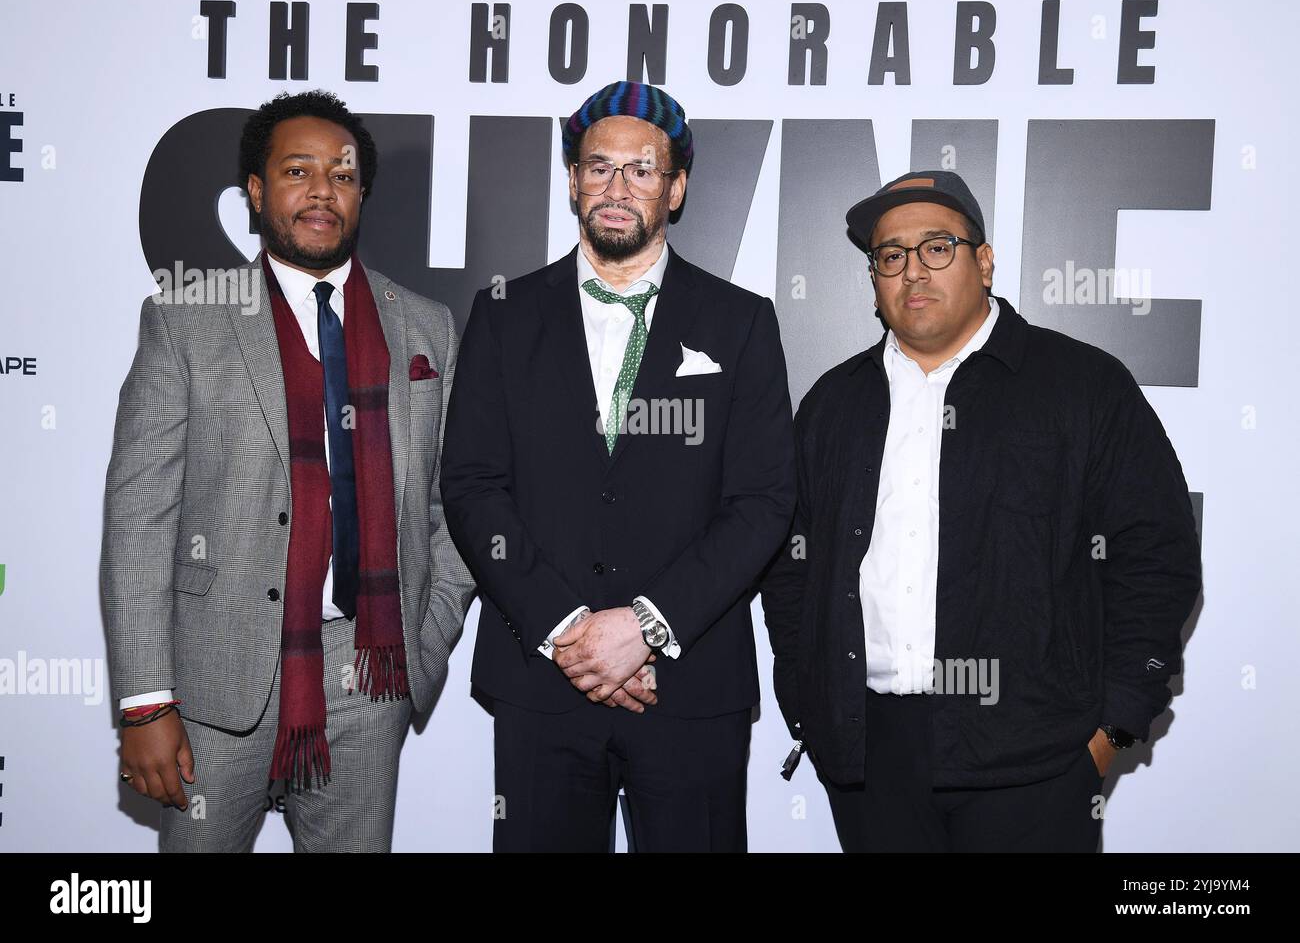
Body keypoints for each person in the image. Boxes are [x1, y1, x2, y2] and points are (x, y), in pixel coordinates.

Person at [760, 170, 1202, 852]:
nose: (913, 271)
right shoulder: (832, 403)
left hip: (1037, 759)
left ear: (984, 260)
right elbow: (789, 566)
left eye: (937, 247)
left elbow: (1157, 555)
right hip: (871, 759)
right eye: (890, 255)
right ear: (874, 277)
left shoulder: (1082, 386)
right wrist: (810, 703)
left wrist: (1111, 729)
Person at [101, 89, 474, 852]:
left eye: (340, 174)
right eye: (296, 170)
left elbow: (453, 501)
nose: (320, 191)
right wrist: (145, 701)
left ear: (360, 193)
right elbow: (139, 520)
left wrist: (419, 644)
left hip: (367, 675)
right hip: (214, 675)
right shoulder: (186, 317)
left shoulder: (425, 324)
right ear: (257, 192)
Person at [440, 81, 795, 852]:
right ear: (572, 181)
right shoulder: (504, 313)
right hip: (543, 682)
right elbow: (471, 484)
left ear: (676, 187)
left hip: (690, 682)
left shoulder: (740, 322)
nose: (616, 188)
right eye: (598, 167)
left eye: (641, 170)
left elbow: (765, 501)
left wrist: (644, 626)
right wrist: (570, 629)